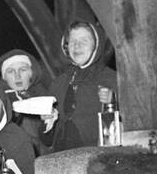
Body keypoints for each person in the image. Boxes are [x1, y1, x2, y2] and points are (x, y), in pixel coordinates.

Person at [49, 20, 118, 151]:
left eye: (84, 41)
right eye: (72, 41)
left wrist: (113, 101)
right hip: (61, 158)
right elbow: (47, 140)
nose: (77, 46)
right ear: (66, 47)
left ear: (96, 45)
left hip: (97, 159)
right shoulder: (58, 83)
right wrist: (47, 121)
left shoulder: (111, 79)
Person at [0, 49, 55, 151]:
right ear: (4, 77)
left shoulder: (44, 95)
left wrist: (48, 122)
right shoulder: (0, 103)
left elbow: (49, 141)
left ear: (31, 73)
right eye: (10, 71)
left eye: (22, 69)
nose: (17, 76)